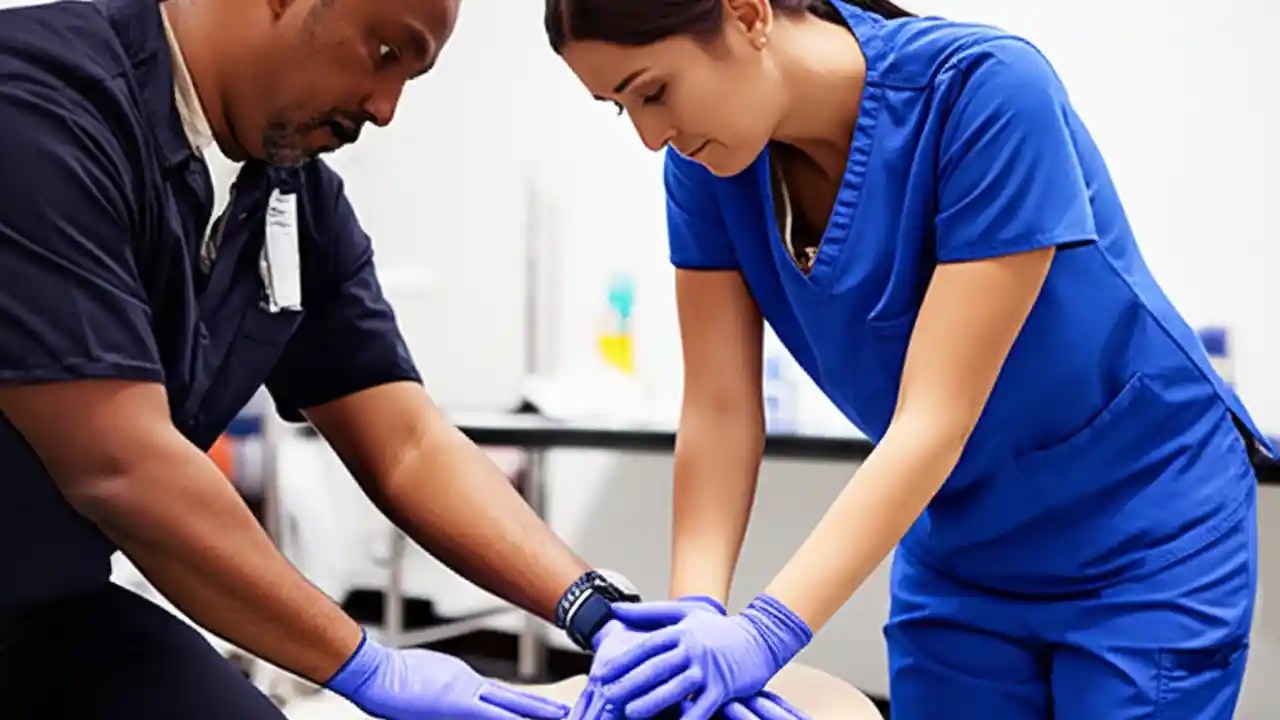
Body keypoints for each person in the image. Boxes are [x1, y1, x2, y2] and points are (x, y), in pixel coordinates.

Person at [543, 1, 1270, 718]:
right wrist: (693, 618)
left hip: (1140, 533)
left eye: (654, 91)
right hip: (964, 539)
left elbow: (933, 420)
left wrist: (765, 634)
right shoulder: (706, 169)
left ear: (748, 13)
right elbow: (720, 408)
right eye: (618, 107)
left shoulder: (987, 93)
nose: (648, 136)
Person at [0, 0, 647, 718]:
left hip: (44, 609)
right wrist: (365, 665)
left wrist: (594, 607)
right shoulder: (35, 105)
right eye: (385, 53)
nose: (386, 107)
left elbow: (407, 444)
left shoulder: (284, 194)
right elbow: (121, 468)